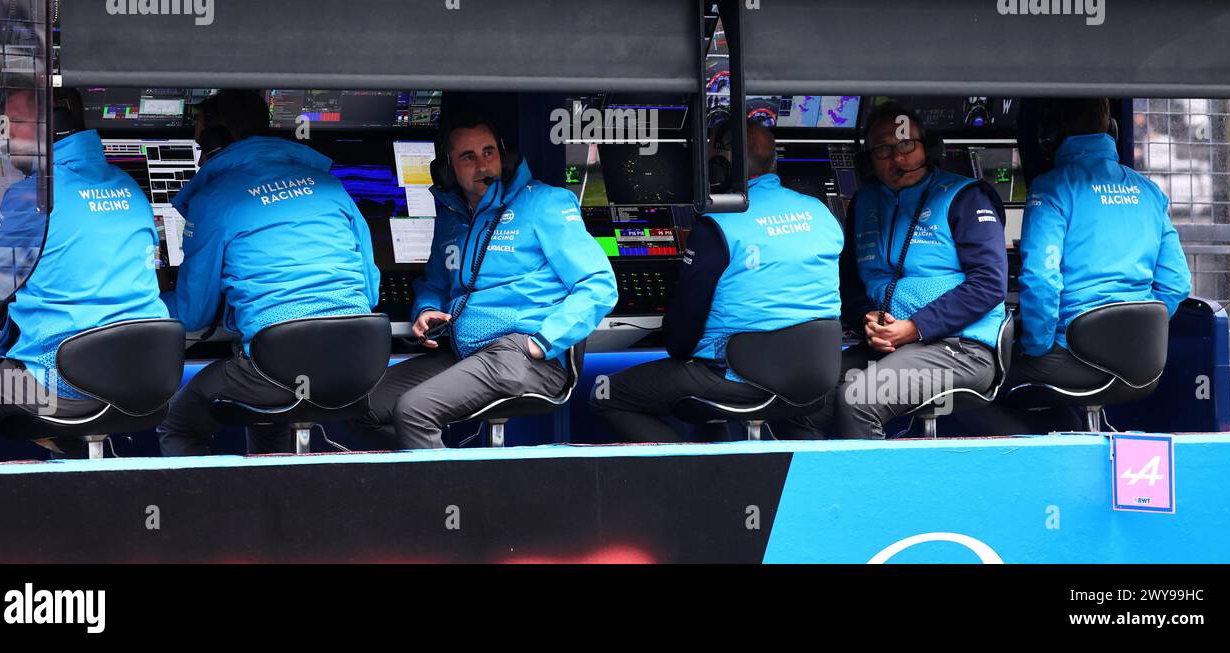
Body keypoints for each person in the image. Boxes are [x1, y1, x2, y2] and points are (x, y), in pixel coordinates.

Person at [354, 112, 617, 450]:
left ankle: (450, 501)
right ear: (447, 169)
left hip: (525, 354)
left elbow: (599, 284)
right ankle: (429, 475)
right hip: (465, 351)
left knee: (414, 411)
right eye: (468, 157)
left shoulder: (544, 204)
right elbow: (434, 283)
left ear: (503, 156)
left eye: (489, 152)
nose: (482, 165)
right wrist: (428, 309)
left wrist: (542, 341)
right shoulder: (452, 219)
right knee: (361, 405)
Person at [157, 90, 381, 456]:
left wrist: (143, 301)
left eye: (199, 144)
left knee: (178, 422)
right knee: (266, 412)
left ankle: (215, 513)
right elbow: (370, 292)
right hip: (361, 359)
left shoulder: (214, 200)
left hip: (279, 366)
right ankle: (277, 505)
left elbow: (193, 313)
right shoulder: (332, 186)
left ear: (214, 143)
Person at [592, 121, 845, 443]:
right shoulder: (820, 212)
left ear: (720, 167)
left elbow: (684, 328)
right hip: (814, 376)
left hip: (738, 376)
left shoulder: (720, 223)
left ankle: (695, 483)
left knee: (605, 394)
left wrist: (676, 344)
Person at [0, 89, 169, 462]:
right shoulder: (129, 185)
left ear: (47, 127)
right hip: (150, 378)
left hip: (64, 382)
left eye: (13, 124)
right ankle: (84, 481)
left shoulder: (35, 195)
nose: (5, 138)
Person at [979, 99, 1192, 434]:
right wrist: (1132, 332)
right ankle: (1068, 432)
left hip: (1070, 356)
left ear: (1048, 138)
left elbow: (1041, 280)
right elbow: (1177, 283)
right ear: (1112, 131)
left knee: (980, 382)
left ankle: (1050, 461)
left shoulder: (1052, 188)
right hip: (1143, 365)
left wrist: (1037, 346)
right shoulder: (1150, 192)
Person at [827, 102, 1008, 440]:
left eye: (907, 145)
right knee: (809, 388)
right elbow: (848, 284)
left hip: (962, 348)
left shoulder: (965, 197)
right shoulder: (864, 203)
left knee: (858, 400)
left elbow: (989, 285)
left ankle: (872, 494)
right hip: (891, 345)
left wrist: (914, 328)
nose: (898, 159)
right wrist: (867, 317)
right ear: (867, 162)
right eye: (883, 150)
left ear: (929, 148)